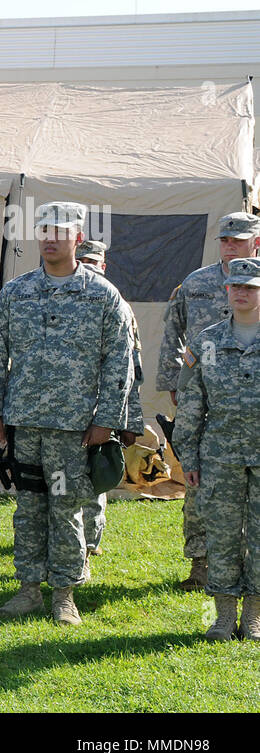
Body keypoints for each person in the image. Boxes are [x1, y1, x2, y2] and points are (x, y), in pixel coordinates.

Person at [0, 202, 134, 625]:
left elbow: (119, 361)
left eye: (61, 232)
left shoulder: (101, 295)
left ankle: (64, 593)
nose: (51, 238)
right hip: (24, 423)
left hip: (73, 429)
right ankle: (28, 589)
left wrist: (107, 418)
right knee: (28, 505)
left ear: (78, 239)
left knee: (65, 505)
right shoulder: (17, 292)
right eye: (44, 230)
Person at [158, 212, 260, 591]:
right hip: (203, 394)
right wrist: (173, 382)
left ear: (255, 240)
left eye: (238, 239)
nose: (230, 245)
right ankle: (202, 562)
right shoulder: (196, 283)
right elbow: (173, 331)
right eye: (225, 240)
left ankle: (251, 569)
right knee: (201, 481)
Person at [176, 257, 260, 641]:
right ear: (227, 290)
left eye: (251, 287)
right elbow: (192, 403)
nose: (242, 292)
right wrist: (189, 457)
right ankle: (224, 615)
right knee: (223, 535)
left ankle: (254, 615)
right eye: (236, 286)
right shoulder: (207, 341)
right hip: (219, 456)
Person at [76, 239, 145, 556]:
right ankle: (62, 538)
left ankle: (89, 542)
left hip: (104, 411)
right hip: (64, 410)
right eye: (83, 262)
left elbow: (133, 368)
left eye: (94, 262)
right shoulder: (63, 304)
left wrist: (130, 421)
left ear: (104, 267)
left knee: (96, 478)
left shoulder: (120, 308)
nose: (88, 268)